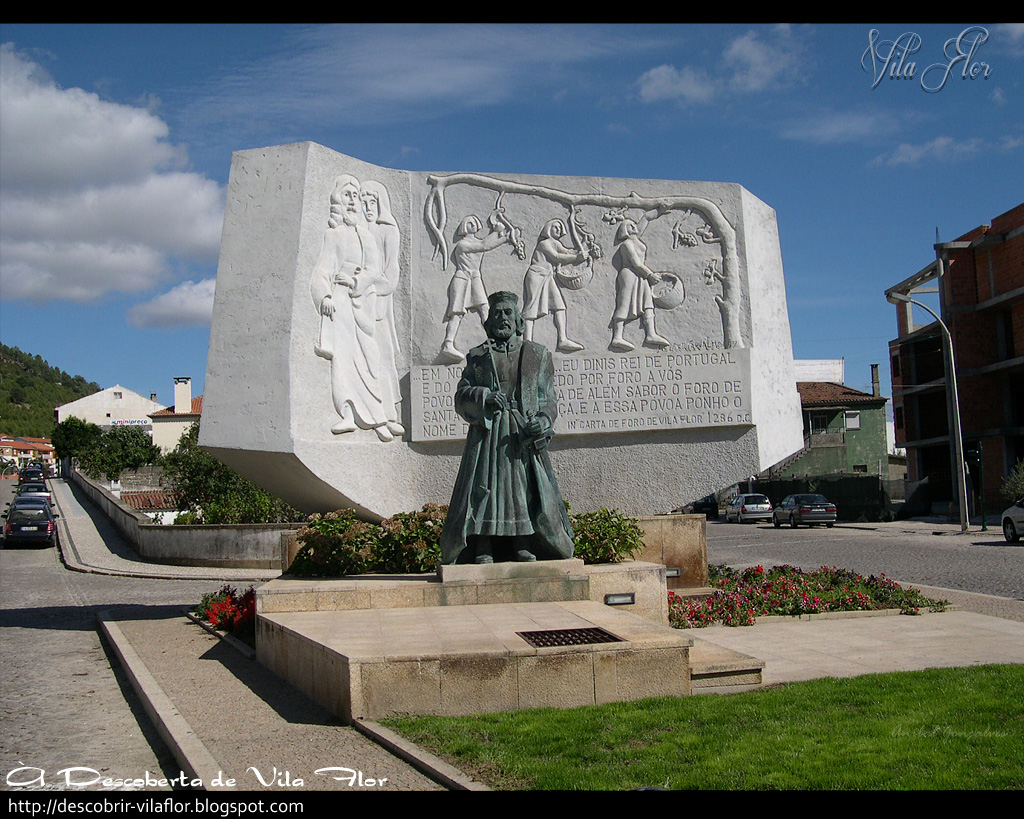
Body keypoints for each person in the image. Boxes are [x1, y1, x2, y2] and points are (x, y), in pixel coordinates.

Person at [439, 291, 575, 564]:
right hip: (487, 434)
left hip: (520, 434)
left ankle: (522, 542)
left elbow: (548, 399)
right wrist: (484, 397)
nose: (503, 317)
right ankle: (483, 545)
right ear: (489, 321)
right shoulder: (477, 356)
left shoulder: (537, 354)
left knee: (521, 489)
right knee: (484, 488)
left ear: (518, 321)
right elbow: (461, 395)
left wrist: (543, 421)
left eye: (508, 312)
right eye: (497, 313)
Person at [310, 174, 394, 441]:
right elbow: (322, 269)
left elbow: (374, 270)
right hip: (340, 303)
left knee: (369, 359)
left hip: (362, 301)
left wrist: (356, 281)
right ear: (338, 199)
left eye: (354, 196)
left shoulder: (366, 237)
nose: (351, 201)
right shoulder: (332, 235)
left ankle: (379, 418)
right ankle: (347, 413)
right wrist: (324, 296)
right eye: (347, 195)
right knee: (342, 361)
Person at [438, 211, 513, 364]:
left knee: (485, 308)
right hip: (463, 279)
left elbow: (485, 244)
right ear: (465, 226)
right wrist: (500, 234)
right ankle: (448, 344)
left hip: (475, 278)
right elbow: (484, 246)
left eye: (475, 223)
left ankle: (494, 339)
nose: (474, 225)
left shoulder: (476, 242)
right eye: (470, 223)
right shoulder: (463, 244)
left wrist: (504, 237)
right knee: (457, 313)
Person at [360, 179, 404, 437]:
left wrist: (368, 285)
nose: (368, 208)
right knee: (360, 361)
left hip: (376, 306)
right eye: (363, 202)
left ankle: (388, 415)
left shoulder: (388, 231)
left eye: (372, 203)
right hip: (356, 305)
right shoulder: (356, 231)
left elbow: (391, 276)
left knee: (383, 358)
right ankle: (369, 417)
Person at [521, 218, 587, 352]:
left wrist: (584, 247)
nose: (558, 230)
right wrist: (576, 258)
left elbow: (567, 252)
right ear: (548, 229)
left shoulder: (555, 243)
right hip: (537, 275)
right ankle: (527, 342)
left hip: (548, 276)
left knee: (559, 305)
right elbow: (556, 257)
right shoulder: (544, 244)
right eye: (555, 227)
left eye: (560, 228)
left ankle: (562, 339)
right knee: (531, 308)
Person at [609, 212, 670, 352]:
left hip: (641, 274)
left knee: (647, 302)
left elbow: (645, 219)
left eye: (634, 224)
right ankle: (617, 337)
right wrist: (650, 274)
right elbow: (635, 263)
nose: (634, 226)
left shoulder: (636, 240)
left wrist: (658, 210)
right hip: (630, 274)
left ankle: (651, 334)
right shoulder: (626, 244)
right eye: (631, 225)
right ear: (625, 230)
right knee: (624, 303)